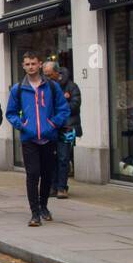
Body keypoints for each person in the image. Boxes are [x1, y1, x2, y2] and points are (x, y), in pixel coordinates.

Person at [6, 51, 69, 227]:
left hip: (49, 138)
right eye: (27, 64)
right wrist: (22, 125)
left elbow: (63, 109)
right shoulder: (18, 89)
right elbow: (10, 113)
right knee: (32, 174)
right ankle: (34, 213)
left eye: (33, 63)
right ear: (23, 66)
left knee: (47, 175)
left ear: (40, 64)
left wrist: (52, 123)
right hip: (29, 139)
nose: (31, 67)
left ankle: (44, 207)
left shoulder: (51, 86)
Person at [43, 60, 81, 199]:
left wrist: (59, 107)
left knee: (63, 157)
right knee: (51, 158)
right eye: (44, 74)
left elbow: (75, 105)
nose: (46, 77)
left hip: (66, 127)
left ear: (56, 73)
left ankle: (62, 187)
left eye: (48, 74)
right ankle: (53, 186)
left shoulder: (71, 87)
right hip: (50, 127)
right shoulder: (45, 86)